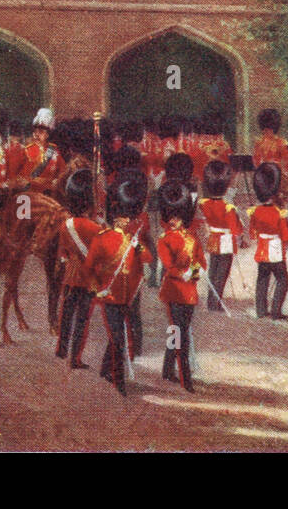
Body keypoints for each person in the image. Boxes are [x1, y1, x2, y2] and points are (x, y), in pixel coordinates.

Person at [89, 170, 153, 397]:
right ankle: (119, 381)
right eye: (124, 218)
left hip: (129, 293)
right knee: (118, 338)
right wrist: (98, 288)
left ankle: (106, 369)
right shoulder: (102, 239)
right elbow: (90, 268)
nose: (128, 221)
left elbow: (148, 258)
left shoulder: (133, 237)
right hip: (110, 296)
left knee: (118, 336)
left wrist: (138, 246)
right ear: (116, 218)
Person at [158, 180, 204, 392]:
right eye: (171, 217)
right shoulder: (164, 240)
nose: (174, 220)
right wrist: (185, 274)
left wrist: (195, 272)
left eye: (177, 216)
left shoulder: (192, 238)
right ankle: (186, 380)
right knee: (181, 336)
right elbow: (168, 267)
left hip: (189, 293)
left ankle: (167, 370)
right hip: (174, 291)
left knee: (178, 331)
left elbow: (201, 262)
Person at [55, 169, 103, 369]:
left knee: (66, 315)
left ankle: (61, 349)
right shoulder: (96, 229)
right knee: (82, 321)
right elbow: (100, 255)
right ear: (88, 206)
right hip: (88, 279)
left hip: (70, 276)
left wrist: (69, 262)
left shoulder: (65, 225)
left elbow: (62, 252)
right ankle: (75, 358)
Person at [248, 162, 288, 319]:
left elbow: (252, 232)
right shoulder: (277, 213)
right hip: (274, 249)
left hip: (262, 248)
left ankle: (261, 311)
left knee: (262, 279)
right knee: (283, 280)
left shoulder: (255, 211)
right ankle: (275, 311)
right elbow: (286, 236)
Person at [199, 160, 244, 313]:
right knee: (222, 273)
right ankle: (216, 303)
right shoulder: (228, 207)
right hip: (225, 241)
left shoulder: (204, 203)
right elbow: (236, 230)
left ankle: (211, 301)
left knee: (213, 270)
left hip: (213, 238)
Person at [253, 109, 288, 197]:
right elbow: (287, 164)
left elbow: (287, 163)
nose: (266, 132)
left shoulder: (260, 143)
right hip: (273, 176)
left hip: (272, 176)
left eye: (268, 130)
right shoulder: (280, 142)